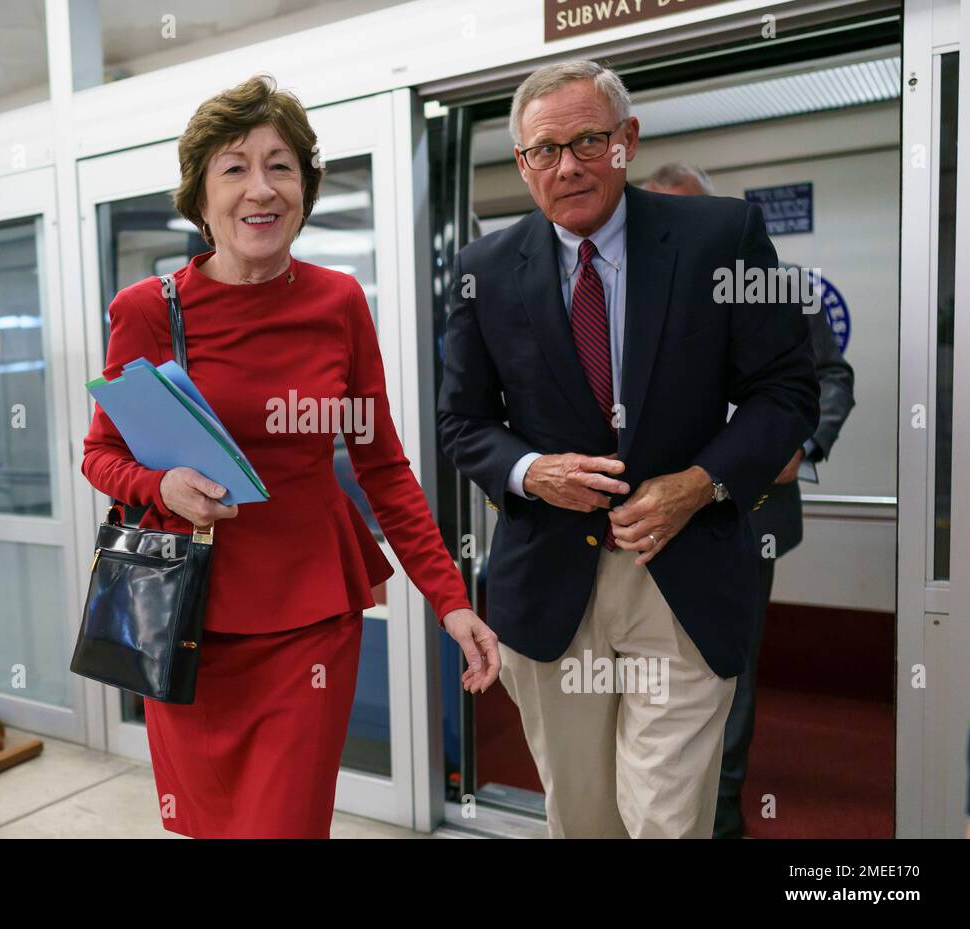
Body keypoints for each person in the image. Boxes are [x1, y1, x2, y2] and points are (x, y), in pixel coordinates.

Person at [81, 74, 500, 839]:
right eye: (234, 167)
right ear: (200, 196)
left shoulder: (338, 302)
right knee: (206, 825)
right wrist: (161, 484)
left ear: (304, 187)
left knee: (286, 826)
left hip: (307, 620)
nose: (260, 187)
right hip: (184, 616)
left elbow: (384, 469)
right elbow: (101, 456)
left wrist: (452, 598)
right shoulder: (147, 310)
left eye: (281, 164)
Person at [437, 60, 819, 838]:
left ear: (627, 141)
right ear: (522, 164)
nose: (568, 164)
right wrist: (530, 470)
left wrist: (702, 481)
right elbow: (461, 422)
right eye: (545, 150)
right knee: (582, 818)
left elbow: (788, 391)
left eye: (587, 140)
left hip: (682, 575)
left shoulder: (722, 236)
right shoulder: (483, 270)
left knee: (665, 820)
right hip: (548, 587)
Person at [644, 161, 857, 838]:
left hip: (749, 513)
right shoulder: (631, 293)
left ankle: (722, 814)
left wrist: (808, 444)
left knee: (725, 662)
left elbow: (830, 376)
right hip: (648, 517)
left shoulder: (772, 287)